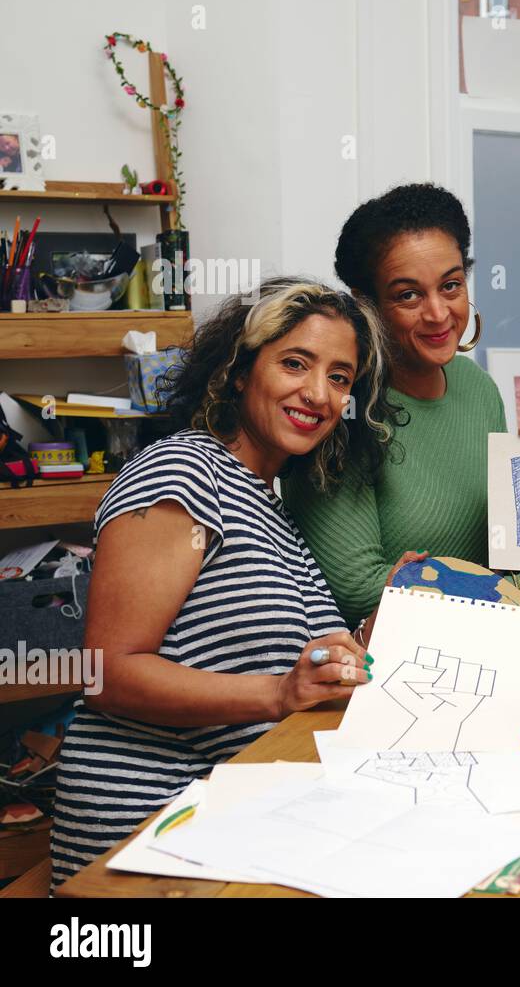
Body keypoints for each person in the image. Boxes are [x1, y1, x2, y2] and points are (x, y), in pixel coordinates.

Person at [50, 278, 401, 887]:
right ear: (240, 371)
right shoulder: (182, 472)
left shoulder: (269, 503)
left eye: (340, 377)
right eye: (295, 363)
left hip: (242, 820)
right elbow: (107, 673)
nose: (318, 393)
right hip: (148, 836)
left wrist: (369, 634)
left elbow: (270, 656)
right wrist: (278, 694)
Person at [284, 183, 520, 626]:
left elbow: (500, 558)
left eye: (450, 285)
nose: (439, 314)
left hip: (500, 645)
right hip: (396, 672)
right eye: (408, 295)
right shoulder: (339, 411)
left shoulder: (477, 388)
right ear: (364, 302)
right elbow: (359, 591)